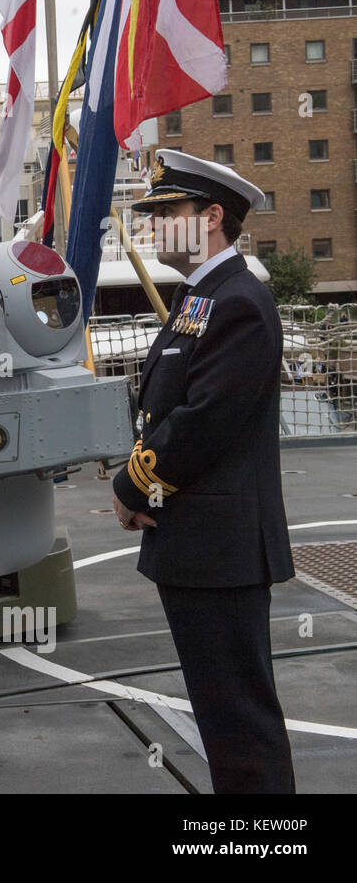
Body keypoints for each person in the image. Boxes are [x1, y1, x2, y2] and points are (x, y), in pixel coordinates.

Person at [112, 149, 295, 793]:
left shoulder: (238, 301)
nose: (154, 226)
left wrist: (135, 486)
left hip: (223, 547)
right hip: (196, 543)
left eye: (168, 213)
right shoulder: (201, 298)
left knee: (240, 720)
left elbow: (205, 421)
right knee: (222, 715)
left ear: (212, 217)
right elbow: (165, 407)